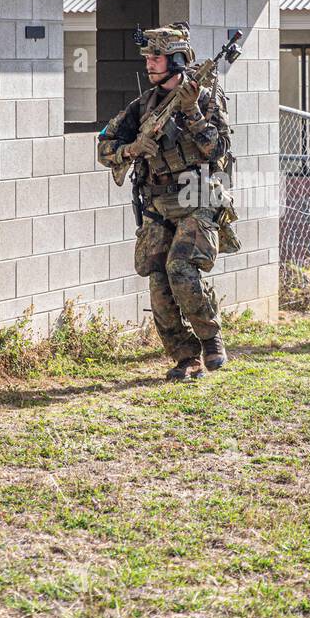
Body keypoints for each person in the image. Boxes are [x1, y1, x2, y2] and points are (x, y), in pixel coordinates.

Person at [98, 23, 233, 382]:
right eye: (148, 57)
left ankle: (210, 338)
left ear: (176, 59)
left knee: (180, 268)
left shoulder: (205, 98)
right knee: (158, 282)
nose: (149, 63)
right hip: (156, 202)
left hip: (196, 197)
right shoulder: (142, 107)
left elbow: (218, 150)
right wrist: (131, 149)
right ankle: (184, 357)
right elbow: (104, 147)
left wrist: (192, 114)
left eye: (156, 56)